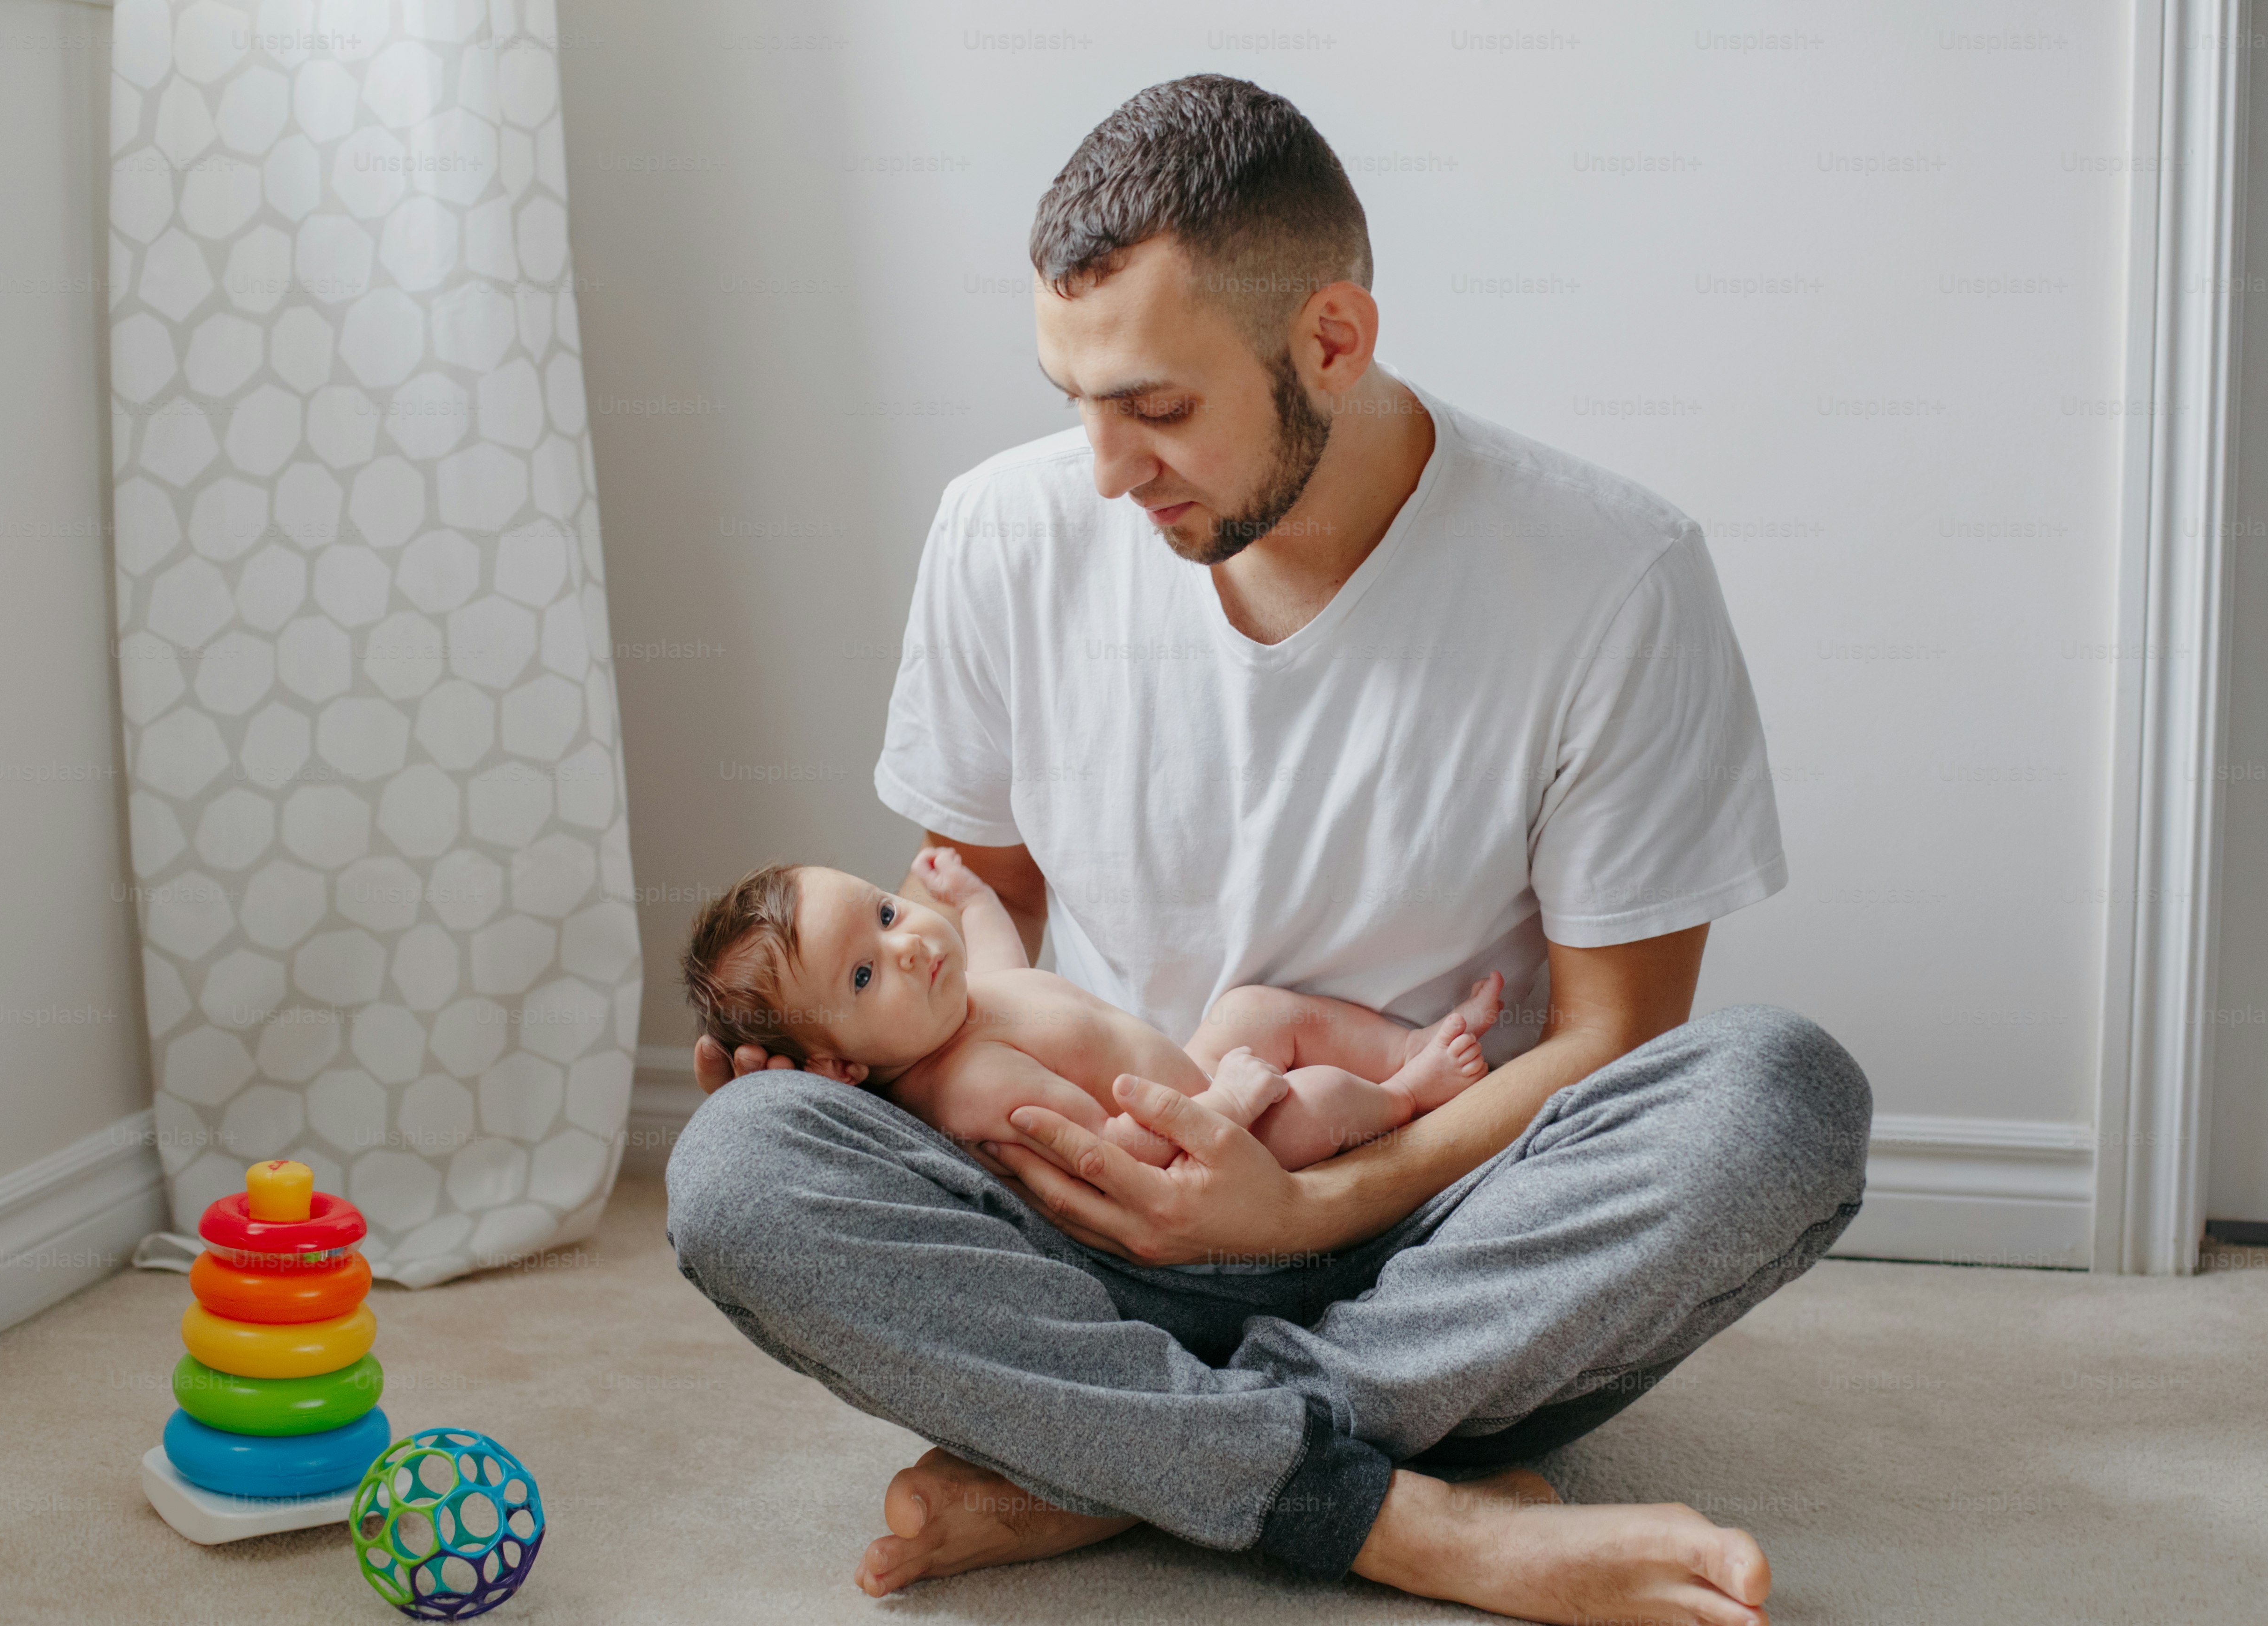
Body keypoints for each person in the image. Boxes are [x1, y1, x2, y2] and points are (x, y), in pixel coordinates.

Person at [669, 74, 1870, 1626]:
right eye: (1074, 400)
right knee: (735, 1172)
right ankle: (1407, 1518)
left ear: (1331, 341)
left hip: (1435, 1246)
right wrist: (827, 1058)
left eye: (1159, 408)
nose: (1107, 469)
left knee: (1780, 1099)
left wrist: (1303, 1211)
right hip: (1088, 1214)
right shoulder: (1000, 534)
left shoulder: (1610, 578)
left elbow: (1616, 1038)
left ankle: (1109, 1457)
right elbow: (968, 925)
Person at [679, 847, 1502, 1172]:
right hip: (1208, 1146)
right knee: (1315, 1098)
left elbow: (1000, 955)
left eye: (885, 914)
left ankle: (1405, 1044)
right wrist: (1230, 1105)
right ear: (839, 1067)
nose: (907, 945)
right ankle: (1408, 1096)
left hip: (1197, 1075)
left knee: (1254, 1007)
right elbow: (1111, 1156)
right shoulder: (972, 1085)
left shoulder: (961, 1005)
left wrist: (969, 896)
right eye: (863, 976)